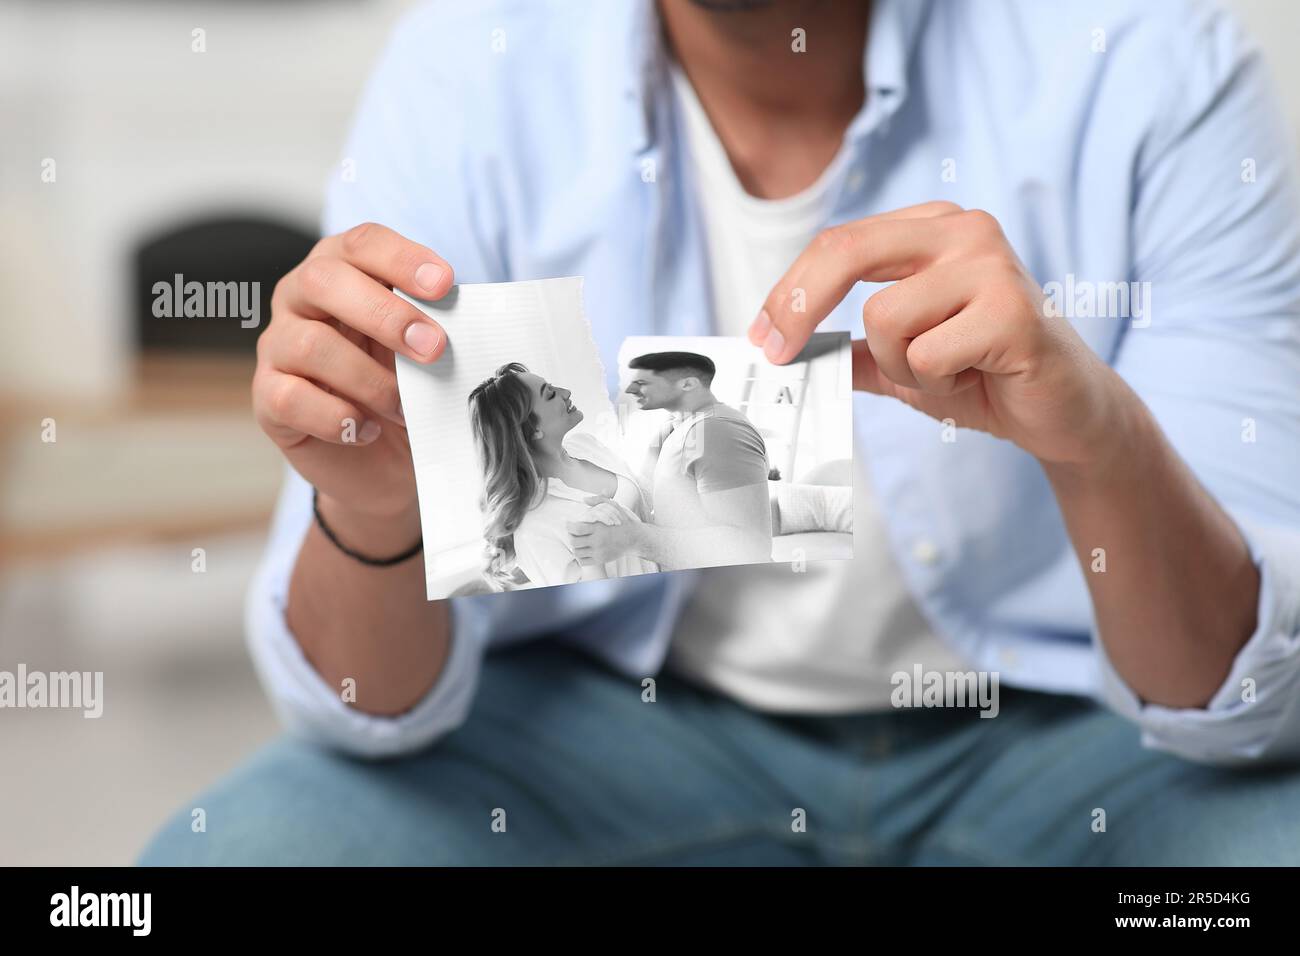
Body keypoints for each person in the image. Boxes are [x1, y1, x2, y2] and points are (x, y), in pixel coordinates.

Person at [141, 0, 1300, 866]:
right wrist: (377, 512)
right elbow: (359, 705)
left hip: (1072, 734)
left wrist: (1101, 441)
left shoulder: (1148, 52)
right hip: (600, 730)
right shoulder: (472, 60)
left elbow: (1245, 697)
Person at [570, 351, 773, 570]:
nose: (630, 390)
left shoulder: (717, 430)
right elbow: (655, 501)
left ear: (687, 384)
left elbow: (750, 550)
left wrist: (636, 539)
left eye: (643, 383)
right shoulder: (676, 428)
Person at [467, 362, 656, 589]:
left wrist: (658, 446)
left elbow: (641, 500)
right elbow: (586, 607)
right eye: (550, 394)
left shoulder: (584, 445)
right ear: (533, 429)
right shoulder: (533, 527)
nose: (566, 393)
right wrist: (590, 560)